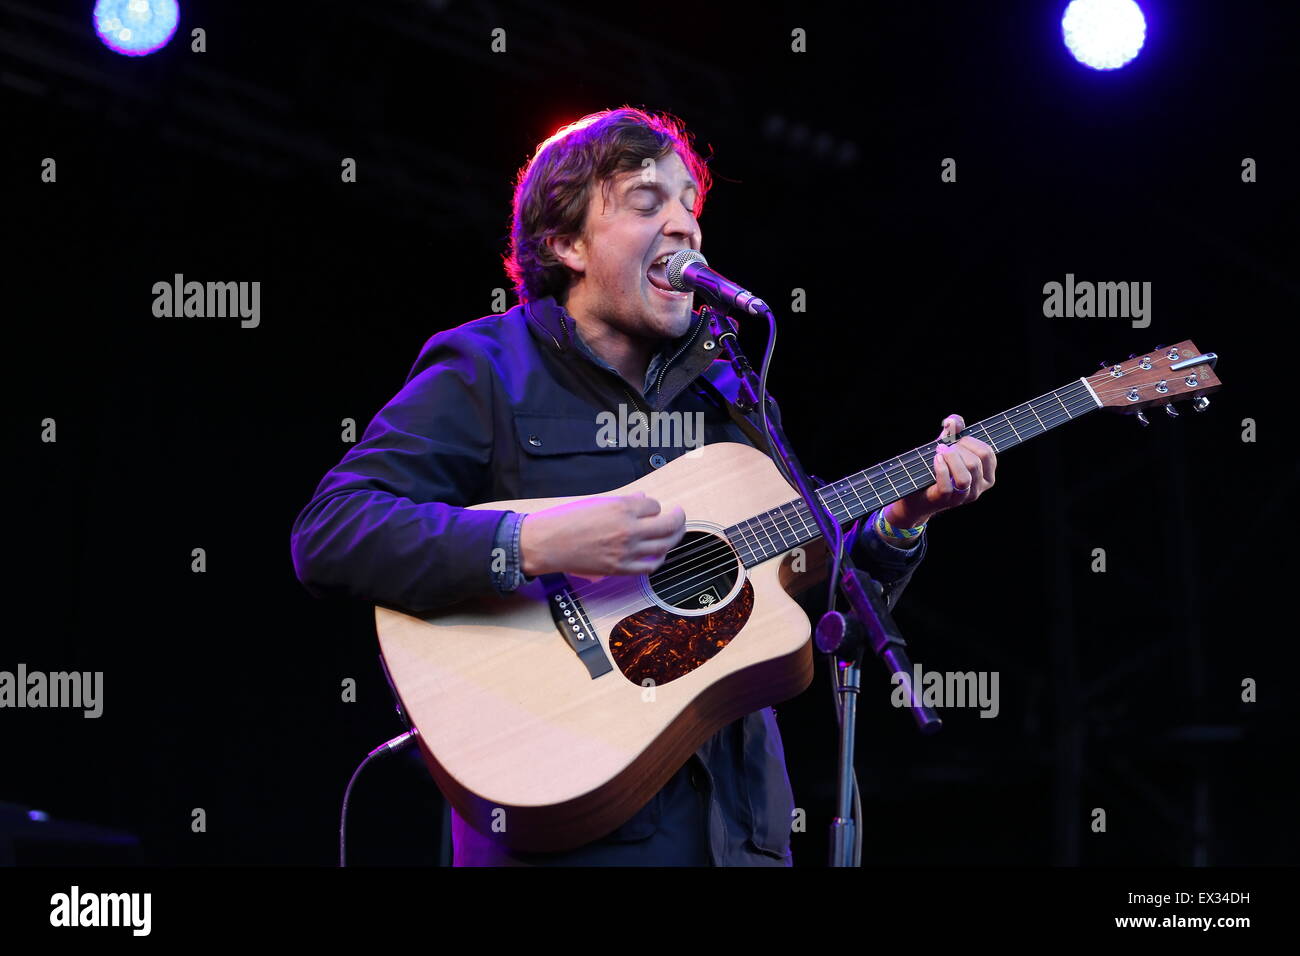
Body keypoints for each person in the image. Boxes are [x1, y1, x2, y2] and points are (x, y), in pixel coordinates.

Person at [290, 106, 997, 866]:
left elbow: (831, 615)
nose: (685, 224)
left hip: (741, 837)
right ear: (565, 243)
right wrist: (535, 542)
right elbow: (332, 531)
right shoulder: (486, 367)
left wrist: (903, 518)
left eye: (690, 204)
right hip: (572, 830)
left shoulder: (733, 394)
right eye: (646, 201)